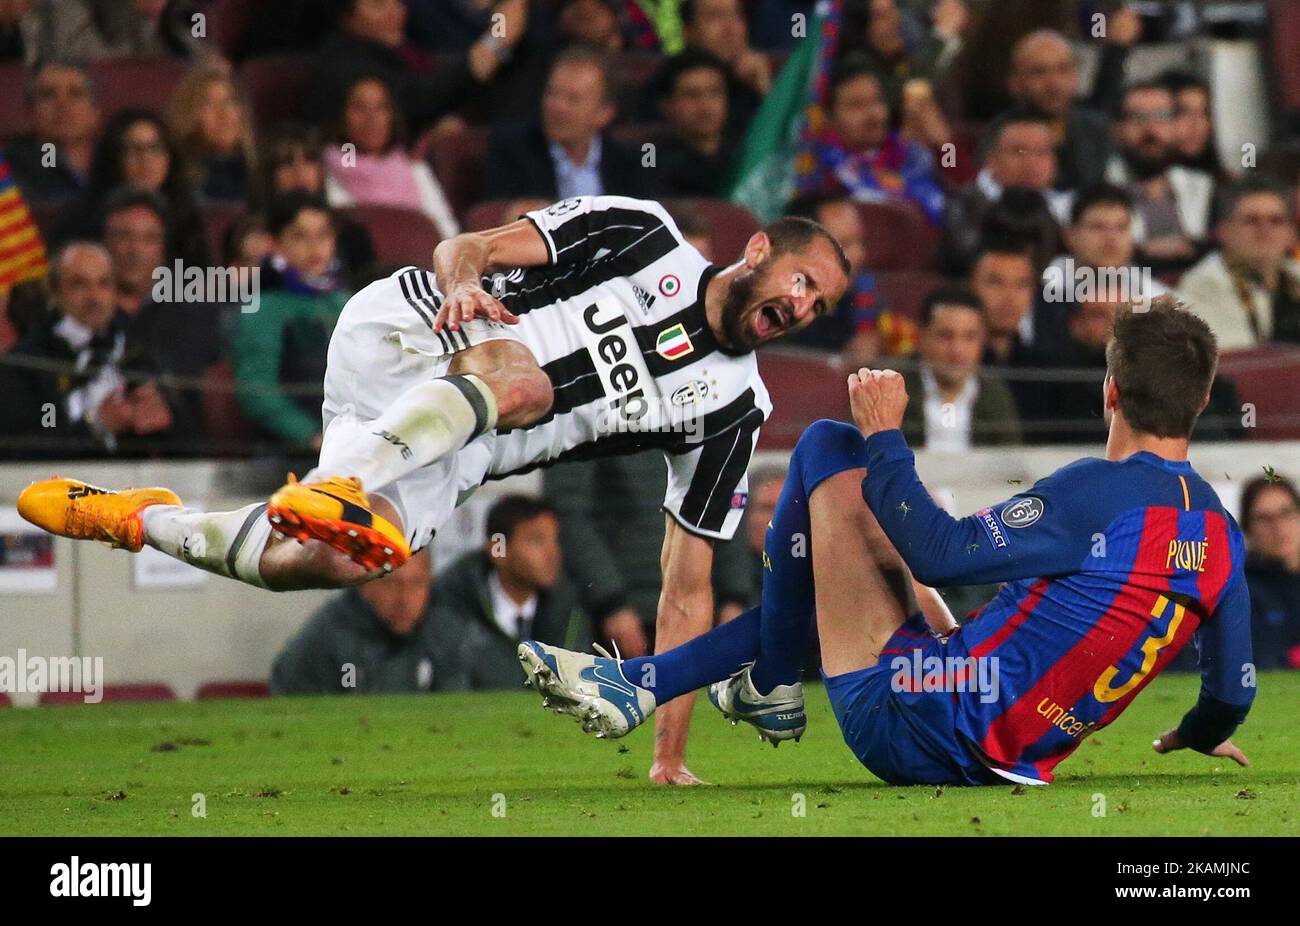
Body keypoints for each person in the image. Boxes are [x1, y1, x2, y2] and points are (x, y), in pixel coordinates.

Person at [20, 194, 851, 785]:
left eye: (822, 304)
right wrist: (462, 286)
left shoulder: (737, 411)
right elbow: (472, 248)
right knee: (527, 381)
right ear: (756, 254)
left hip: (458, 444)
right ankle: (342, 483)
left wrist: (669, 754)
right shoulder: (643, 234)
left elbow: (687, 583)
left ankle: (139, 522)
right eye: (803, 281)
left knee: (316, 562)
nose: (806, 305)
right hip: (420, 328)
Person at [521, 296, 1255, 788]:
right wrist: (1196, 733)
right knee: (854, 567)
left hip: (919, 718)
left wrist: (885, 438)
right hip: (1009, 746)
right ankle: (650, 684)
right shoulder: (1221, 534)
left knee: (827, 446)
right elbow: (1230, 692)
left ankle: (768, 683)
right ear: (1199, 400)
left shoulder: (1097, 491)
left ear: (1111, 393)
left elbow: (943, 555)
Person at [0, 241, 190, 457]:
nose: (94, 297)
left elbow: (195, 445)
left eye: (104, 284)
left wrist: (167, 421)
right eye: (80, 284)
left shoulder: (139, 354)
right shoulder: (27, 363)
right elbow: (17, 450)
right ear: (54, 293)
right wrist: (95, 425)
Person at [433, 494, 595, 690]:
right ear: (498, 550)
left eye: (555, 541)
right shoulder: (455, 604)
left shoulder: (570, 608)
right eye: (537, 541)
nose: (553, 554)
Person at [232, 192, 350, 450]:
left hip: (349, 449)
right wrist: (311, 436)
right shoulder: (263, 309)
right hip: (288, 456)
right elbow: (257, 392)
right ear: (274, 244)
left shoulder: (349, 302)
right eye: (300, 236)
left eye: (323, 235)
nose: (314, 247)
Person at [484, 45, 659, 202]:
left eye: (573, 99)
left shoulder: (628, 162)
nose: (557, 106)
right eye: (552, 93)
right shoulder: (511, 150)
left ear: (604, 113)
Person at [270, 549, 444, 694]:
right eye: (391, 583)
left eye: (417, 583)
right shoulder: (323, 643)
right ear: (365, 582)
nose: (405, 599)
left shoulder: (448, 636)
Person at [795, 59, 945, 225]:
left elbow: (968, 203)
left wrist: (946, 143)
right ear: (829, 117)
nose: (873, 114)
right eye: (856, 105)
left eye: (878, 101)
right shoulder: (818, 169)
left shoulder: (913, 154)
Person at [323, 75, 459, 241]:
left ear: (392, 115)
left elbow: (447, 232)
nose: (371, 118)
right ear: (342, 115)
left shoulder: (414, 167)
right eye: (359, 107)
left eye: (380, 107)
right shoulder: (332, 165)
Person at [1104, 80, 1214, 270]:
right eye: (1138, 118)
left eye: (1162, 116)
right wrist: (1142, 251)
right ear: (1117, 129)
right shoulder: (1099, 189)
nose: (1151, 129)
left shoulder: (1204, 186)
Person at [1180, 178, 1300, 350]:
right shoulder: (1204, 285)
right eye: (1251, 221)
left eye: (1276, 221)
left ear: (1291, 233)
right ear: (1224, 231)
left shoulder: (1295, 275)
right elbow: (1237, 359)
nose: (1265, 230)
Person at [899, 286, 1021, 449]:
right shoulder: (895, 391)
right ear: (923, 337)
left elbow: (1011, 462)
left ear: (982, 340)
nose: (957, 351)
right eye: (945, 336)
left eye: (969, 337)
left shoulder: (996, 395)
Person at [4, 59, 100, 205]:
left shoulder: (118, 164)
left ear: (95, 113)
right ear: (30, 113)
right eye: (48, 95)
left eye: (76, 94)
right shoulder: (7, 172)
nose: (62, 105)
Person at [167, 67, 257, 202]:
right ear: (188, 115)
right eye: (208, 104)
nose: (223, 114)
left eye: (229, 102)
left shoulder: (263, 173)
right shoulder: (176, 178)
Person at [651, 49, 733, 197]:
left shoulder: (746, 154)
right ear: (667, 105)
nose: (705, 106)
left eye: (714, 92)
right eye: (692, 95)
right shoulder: (654, 162)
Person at [1239, 475, 1300, 671]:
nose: (1278, 528)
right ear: (1248, 529)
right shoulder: (1241, 591)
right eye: (1264, 519)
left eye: (1286, 513)